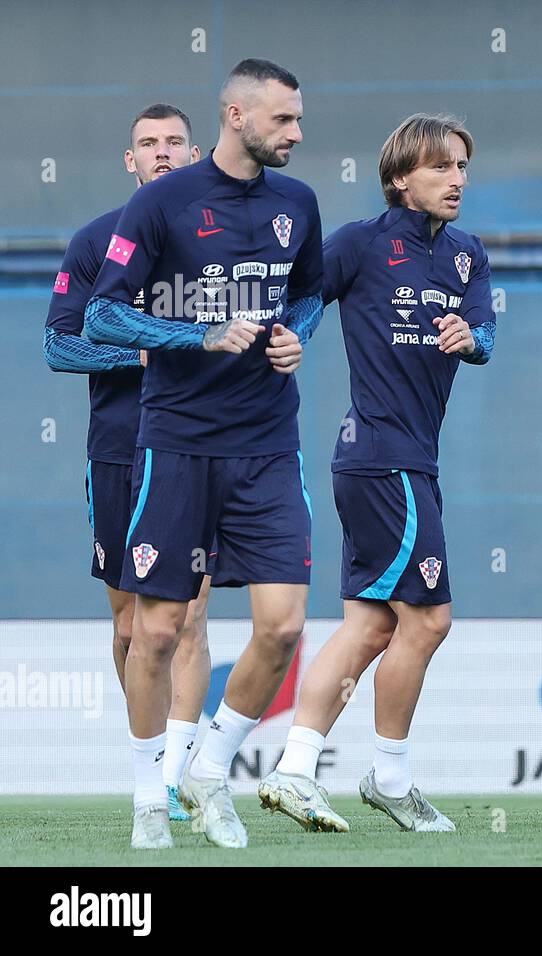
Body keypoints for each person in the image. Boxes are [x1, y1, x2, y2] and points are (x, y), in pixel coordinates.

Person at [85, 59, 324, 849]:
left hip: (268, 442)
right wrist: (194, 335)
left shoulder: (299, 201)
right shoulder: (159, 203)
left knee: (284, 626)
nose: (296, 132)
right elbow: (101, 317)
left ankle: (210, 767)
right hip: (177, 442)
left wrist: (297, 335)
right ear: (236, 114)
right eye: (283, 119)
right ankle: (147, 795)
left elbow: (312, 290)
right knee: (156, 633)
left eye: (297, 119)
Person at [258, 113, 495, 834]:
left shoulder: (466, 255)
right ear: (401, 178)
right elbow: (302, 295)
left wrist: (471, 337)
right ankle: (388, 776)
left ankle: (296, 771)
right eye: (440, 167)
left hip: (404, 460)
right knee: (429, 620)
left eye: (461, 166)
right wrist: (291, 336)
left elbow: (485, 332)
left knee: (368, 627)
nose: (456, 179)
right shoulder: (362, 243)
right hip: (382, 457)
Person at [43, 103, 212, 825]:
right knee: (131, 629)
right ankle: (148, 758)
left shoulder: (219, 241)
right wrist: (138, 352)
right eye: (149, 143)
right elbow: (58, 346)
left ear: (197, 152)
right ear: (129, 159)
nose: (163, 152)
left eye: (175, 142)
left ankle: (170, 780)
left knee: (190, 618)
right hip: (117, 449)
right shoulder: (93, 241)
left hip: (198, 444)